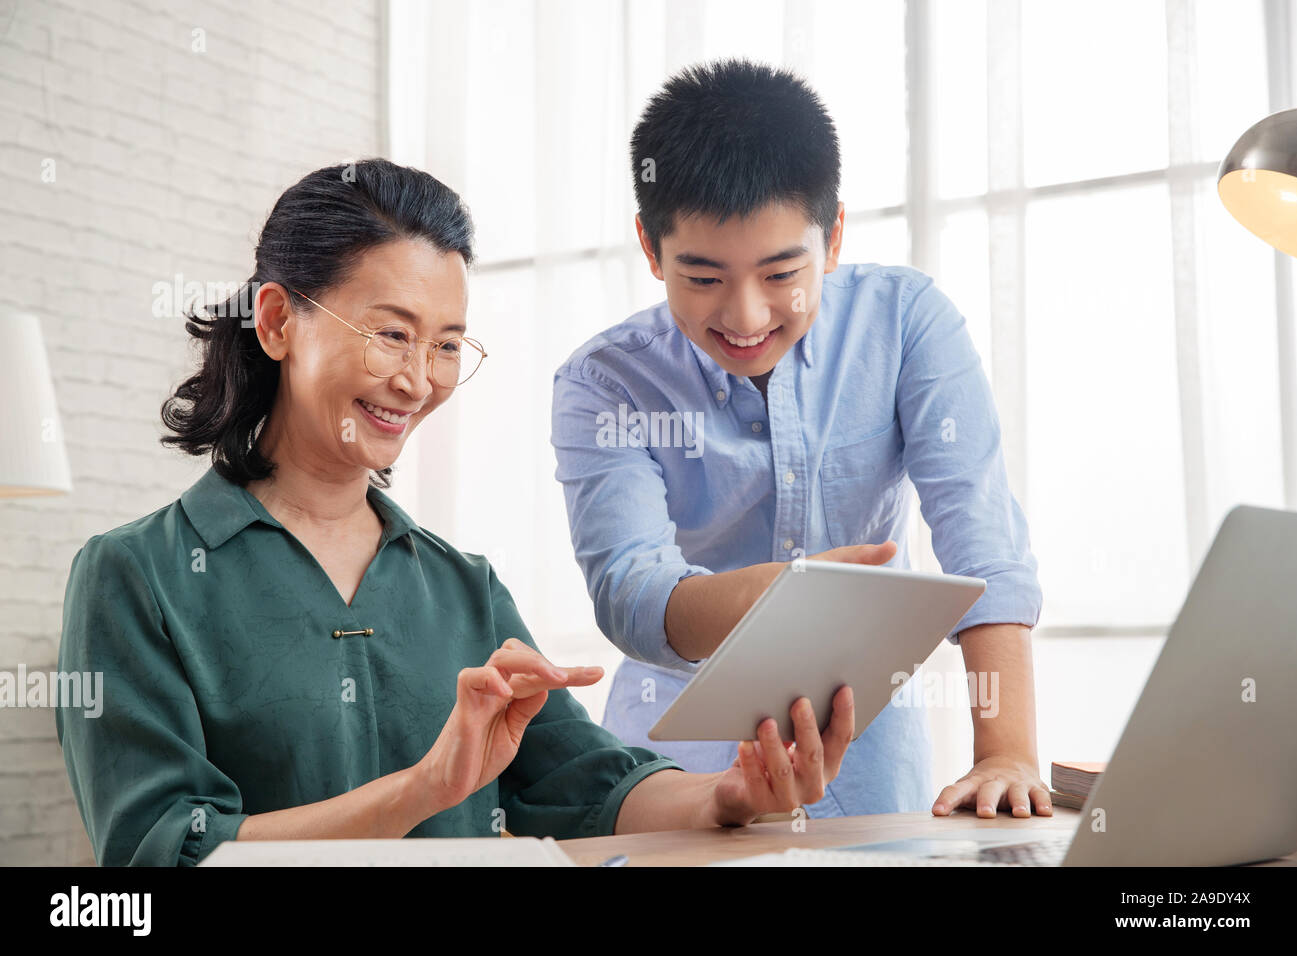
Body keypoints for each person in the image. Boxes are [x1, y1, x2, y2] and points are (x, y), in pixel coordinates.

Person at [56, 158, 855, 866]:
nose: (417, 380)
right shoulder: (137, 576)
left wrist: (727, 797)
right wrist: (424, 790)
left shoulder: (462, 587)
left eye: (445, 346)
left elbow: (590, 787)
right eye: (391, 335)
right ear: (274, 322)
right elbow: (157, 853)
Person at [551, 60, 1050, 820]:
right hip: (671, 767)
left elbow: (981, 538)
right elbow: (630, 591)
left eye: (783, 272)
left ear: (835, 235)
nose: (747, 317)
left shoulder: (906, 322)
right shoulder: (605, 381)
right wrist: (787, 605)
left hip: (865, 757)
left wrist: (1007, 753)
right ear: (651, 251)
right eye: (705, 278)